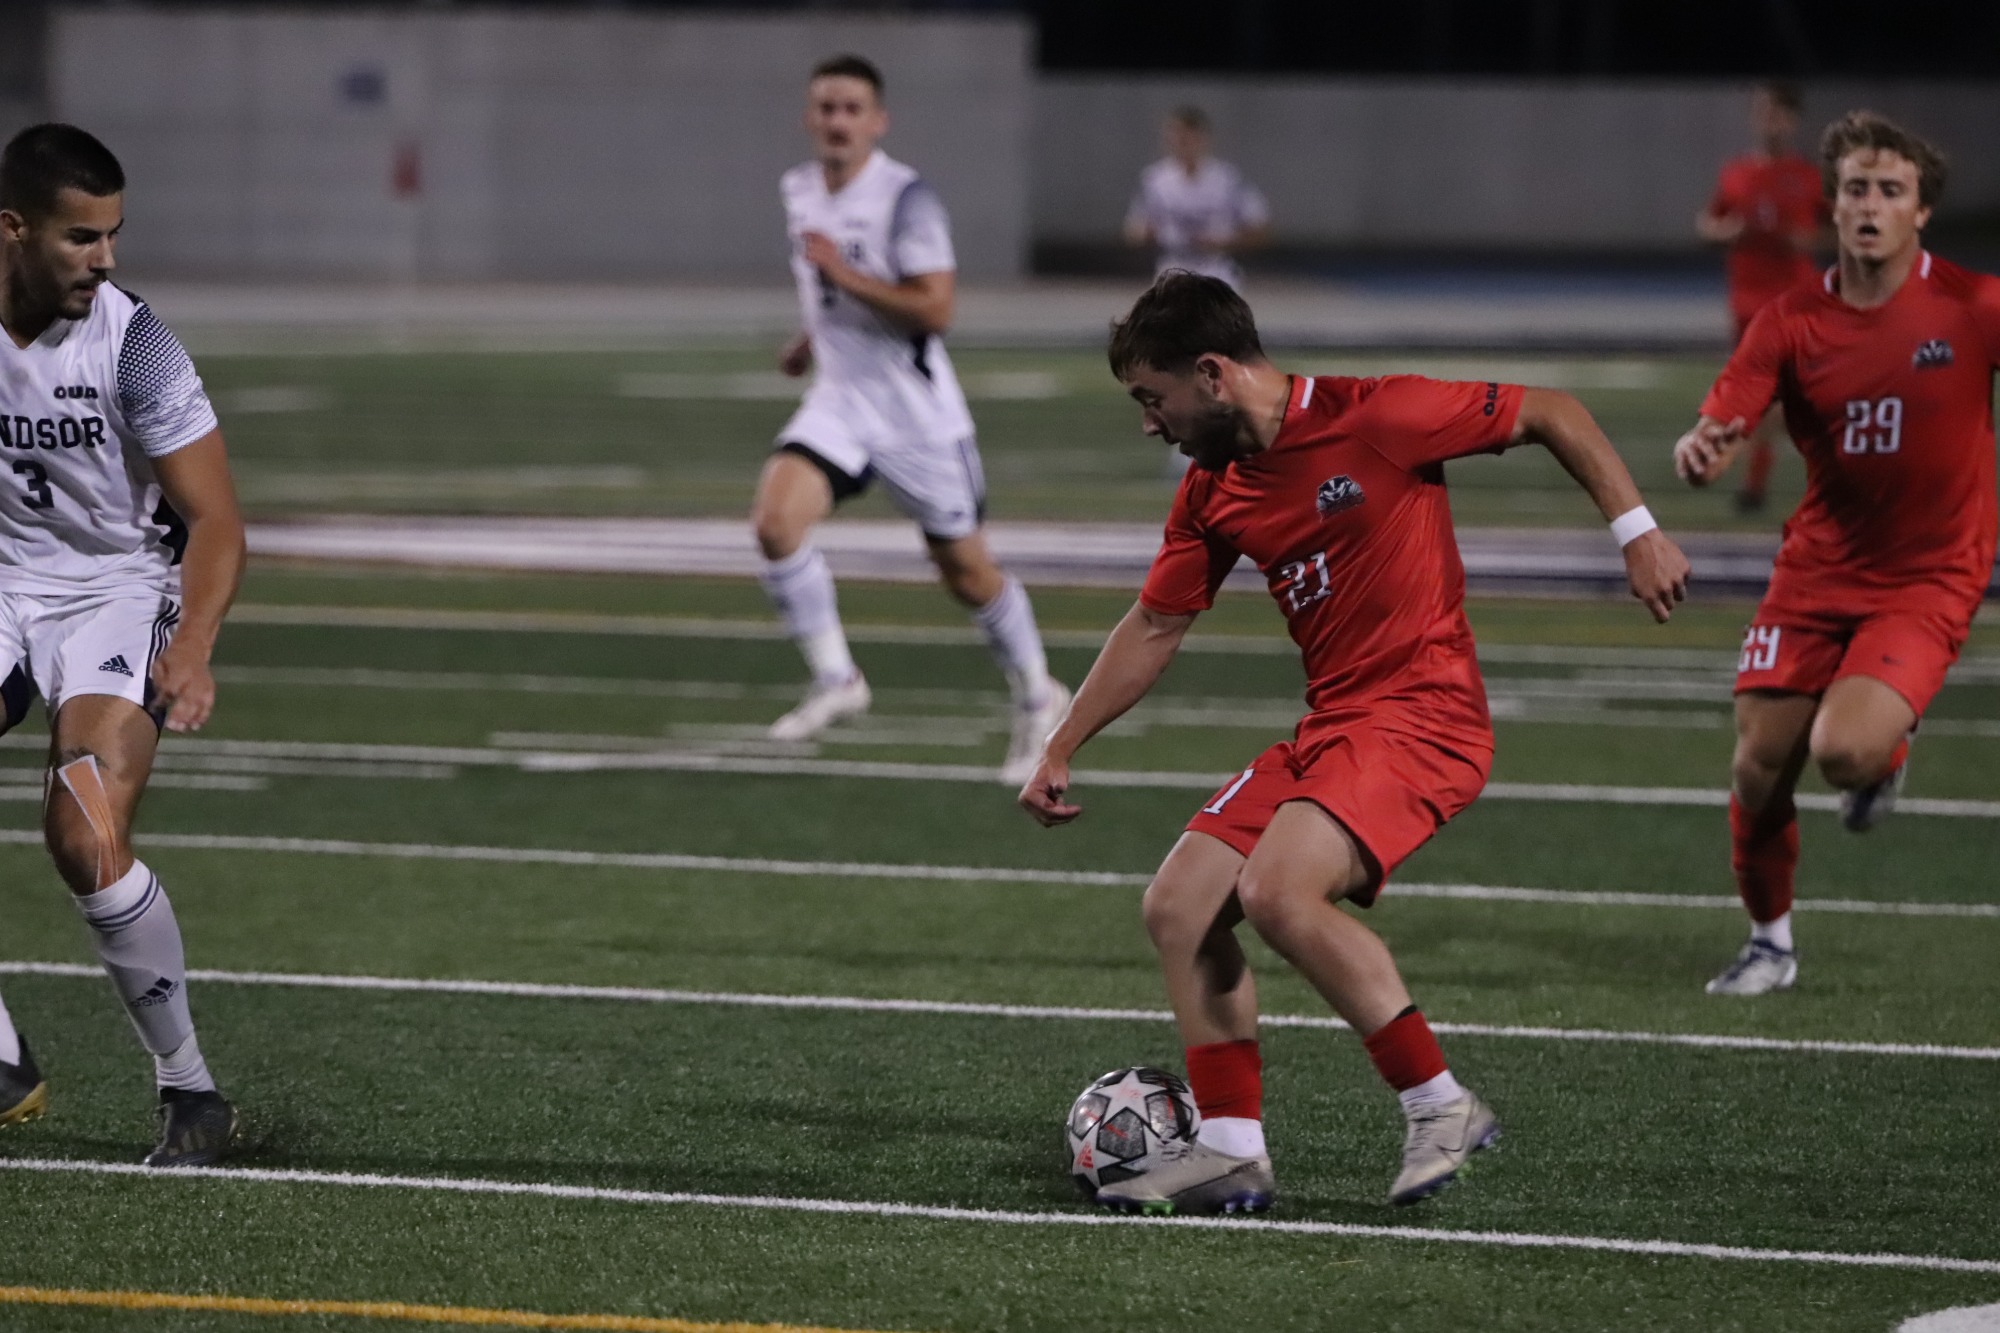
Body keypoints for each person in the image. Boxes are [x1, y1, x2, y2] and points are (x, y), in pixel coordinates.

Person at [1020, 272, 1689, 1213]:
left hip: (1425, 716)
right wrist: (1062, 743)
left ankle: (1438, 1103)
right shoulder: (1214, 491)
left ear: (1211, 374)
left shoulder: (1383, 414)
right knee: (1179, 903)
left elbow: (1551, 410)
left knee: (1278, 890)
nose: (1148, 423)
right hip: (1335, 724)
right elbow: (1156, 624)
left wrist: (1639, 531)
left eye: (1151, 398)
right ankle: (1231, 1149)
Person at [1676, 112, 1996, 998]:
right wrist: (1707, 444)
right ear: (1836, 202)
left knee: (1845, 751)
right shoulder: (1793, 318)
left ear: (1921, 211)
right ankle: (1770, 943)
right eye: (1856, 187)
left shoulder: (1972, 306)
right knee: (1757, 764)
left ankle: (1885, 751)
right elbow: (1728, 410)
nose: (1869, 204)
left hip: (1930, 574)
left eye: (1890, 190)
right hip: (1817, 570)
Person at [0, 124, 246, 1163]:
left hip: (117, 591)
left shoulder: (132, 340)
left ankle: (191, 1094)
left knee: (85, 835)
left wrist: (189, 646)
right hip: (4, 579)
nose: (105, 259)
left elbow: (220, 521)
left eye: (113, 235)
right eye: (79, 237)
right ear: (12, 231)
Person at [754, 55, 1067, 784]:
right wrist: (809, 339)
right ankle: (838, 678)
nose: (836, 121)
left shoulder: (906, 198)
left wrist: (843, 275)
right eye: (825, 107)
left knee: (965, 571)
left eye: (851, 108)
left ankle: (1037, 691)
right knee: (774, 521)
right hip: (840, 401)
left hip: (915, 415)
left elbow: (935, 309)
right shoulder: (798, 189)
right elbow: (826, 288)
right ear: (809, 117)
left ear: (877, 121)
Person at [1696, 81, 1827, 514]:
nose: (1770, 120)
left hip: (1792, 300)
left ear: (1792, 119)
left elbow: (1838, 227)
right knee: (1763, 397)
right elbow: (1707, 223)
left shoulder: (1807, 176)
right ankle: (1769, 480)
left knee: (1785, 394)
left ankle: (1756, 483)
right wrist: (1725, 232)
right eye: (1763, 111)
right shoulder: (1737, 172)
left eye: (1778, 112)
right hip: (1747, 300)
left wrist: (1807, 240)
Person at [1123, 107, 1271, 292]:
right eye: (1176, 136)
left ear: (1202, 138)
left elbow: (1259, 227)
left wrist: (1225, 242)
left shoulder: (1227, 179)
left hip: (1216, 273)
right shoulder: (1155, 179)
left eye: (1187, 137)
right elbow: (1134, 231)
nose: (1181, 143)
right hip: (1172, 273)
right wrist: (1148, 233)